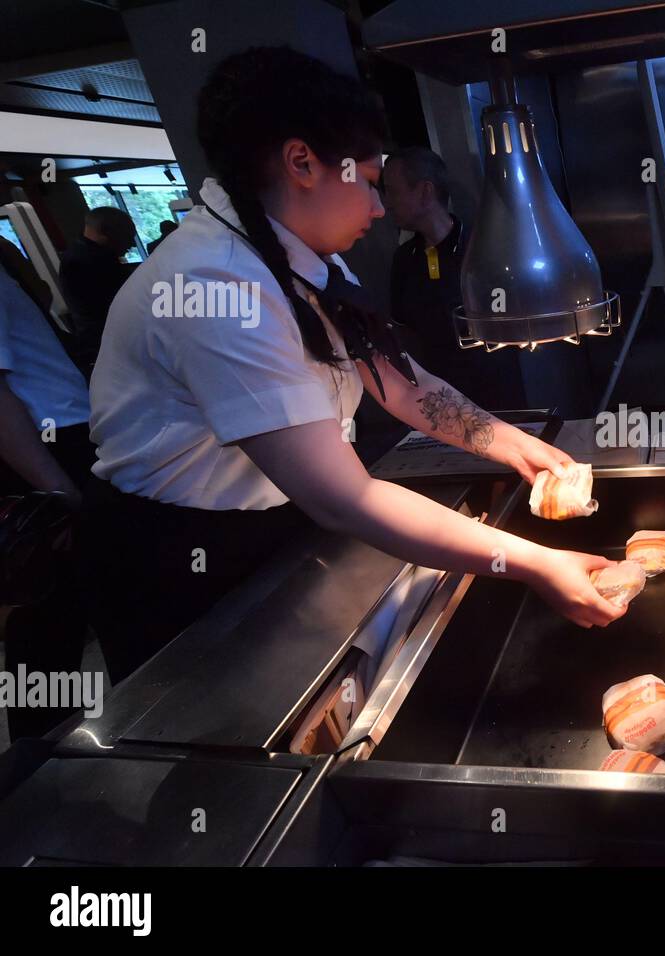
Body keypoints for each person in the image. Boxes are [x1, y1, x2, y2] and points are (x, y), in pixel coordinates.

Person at [81, 47, 623, 685]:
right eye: (367, 181)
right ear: (302, 162)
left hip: (274, 517)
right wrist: (534, 562)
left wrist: (511, 444)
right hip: (179, 552)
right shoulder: (218, 286)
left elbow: (400, 383)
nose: (377, 207)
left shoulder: (305, 261)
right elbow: (347, 498)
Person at [0, 244, 96, 741]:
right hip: (50, 447)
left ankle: (46, 748)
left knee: (53, 611)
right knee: (46, 612)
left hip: (59, 439)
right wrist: (61, 491)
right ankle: (40, 757)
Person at [382, 147, 523, 408]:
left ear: (425, 191)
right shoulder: (404, 259)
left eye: (392, 191)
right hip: (437, 401)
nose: (385, 203)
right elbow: (403, 330)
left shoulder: (483, 247)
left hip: (500, 400)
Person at [58, 205, 136, 370]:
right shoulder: (90, 262)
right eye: (128, 235)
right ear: (106, 232)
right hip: (112, 343)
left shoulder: (80, 255)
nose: (131, 244)